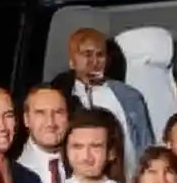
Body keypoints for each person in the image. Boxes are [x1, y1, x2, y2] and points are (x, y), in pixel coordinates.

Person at [51, 27, 156, 173]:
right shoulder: (62, 98)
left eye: (100, 55)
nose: (94, 62)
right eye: (87, 54)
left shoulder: (129, 97)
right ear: (72, 61)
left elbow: (146, 145)